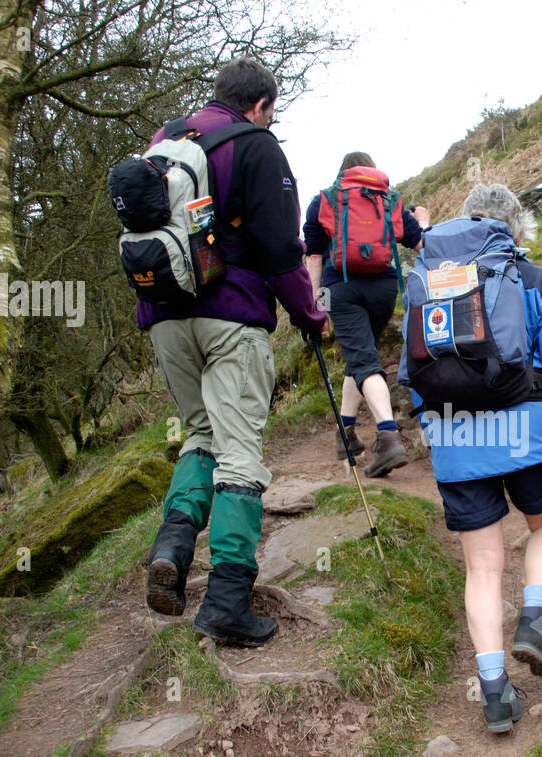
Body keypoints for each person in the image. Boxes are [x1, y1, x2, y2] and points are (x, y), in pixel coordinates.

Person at [404, 184, 542, 733]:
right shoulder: (527, 277)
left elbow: (413, 371)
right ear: (515, 231)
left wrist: (436, 432)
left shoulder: (428, 281)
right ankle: (535, 618)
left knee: (482, 566)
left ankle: (494, 694)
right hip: (526, 429)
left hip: (454, 436)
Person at [140, 58, 327, 647]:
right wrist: (309, 314)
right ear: (263, 105)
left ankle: (172, 547)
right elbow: (281, 251)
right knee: (240, 451)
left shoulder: (167, 142)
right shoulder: (256, 146)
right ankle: (226, 600)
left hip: (164, 315)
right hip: (231, 317)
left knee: (200, 433)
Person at [303, 152, 428, 476]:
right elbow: (420, 244)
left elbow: (314, 259)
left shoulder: (325, 200)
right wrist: (424, 225)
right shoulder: (390, 201)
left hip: (341, 289)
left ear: (342, 174)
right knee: (361, 357)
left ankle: (388, 436)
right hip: (383, 290)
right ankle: (346, 433)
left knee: (364, 361)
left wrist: (316, 308)